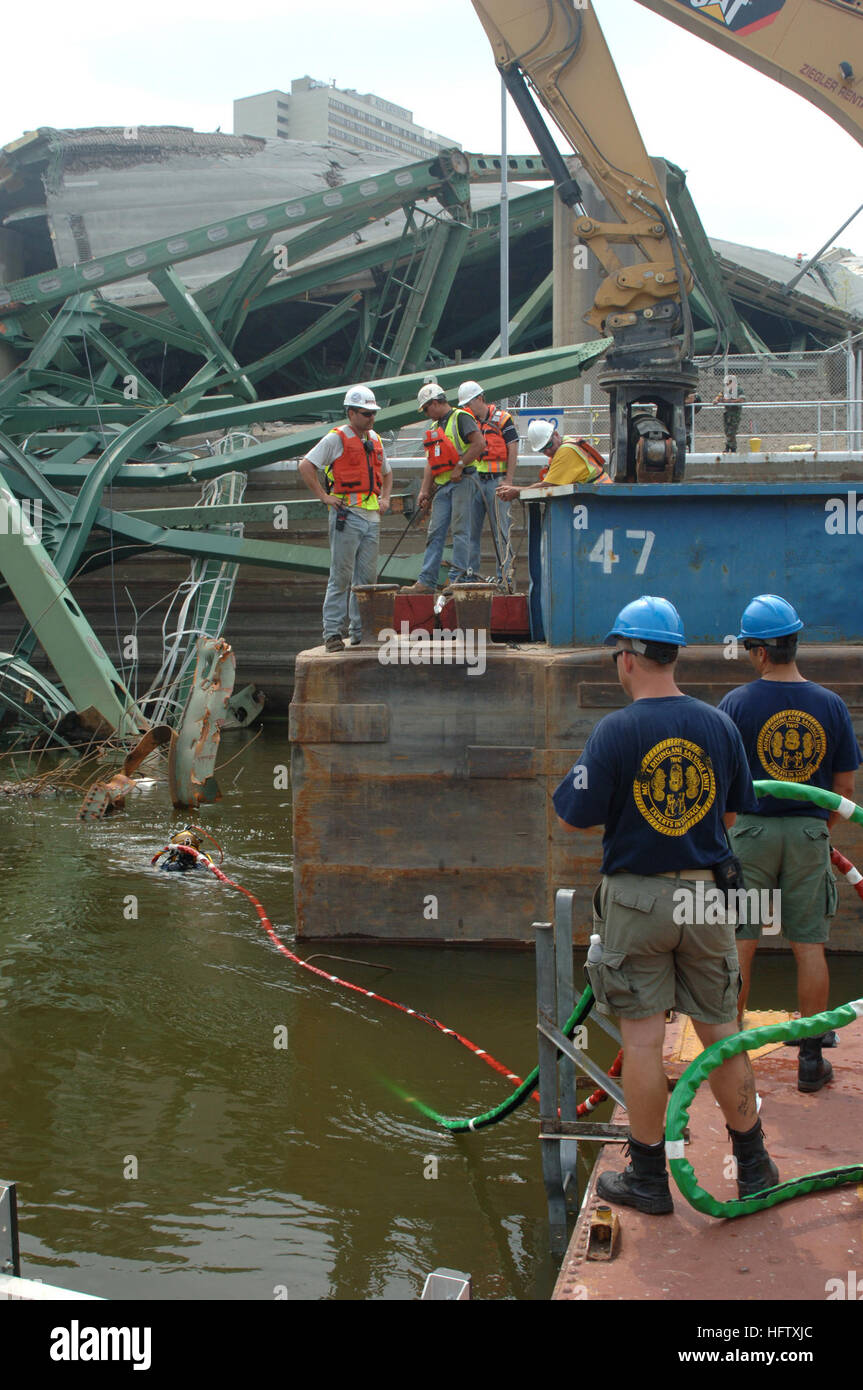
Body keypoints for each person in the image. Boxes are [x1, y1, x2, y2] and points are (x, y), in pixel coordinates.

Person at [553, 596, 778, 1214]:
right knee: (722, 1034)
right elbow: (730, 814)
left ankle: (650, 1178)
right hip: (706, 895)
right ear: (672, 654)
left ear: (627, 659)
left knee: (646, 1042)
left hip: (637, 899)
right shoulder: (719, 725)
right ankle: (754, 1164)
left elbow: (572, 815)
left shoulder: (613, 733)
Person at [718, 595, 861, 1091]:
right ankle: (810, 1058)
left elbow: (722, 784)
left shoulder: (735, 705)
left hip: (751, 833)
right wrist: (816, 830)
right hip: (807, 832)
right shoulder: (830, 705)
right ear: (795, 642)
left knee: (742, 941)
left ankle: (730, 1051)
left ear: (758, 651)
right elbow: (843, 791)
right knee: (809, 945)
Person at [298, 384, 392, 651]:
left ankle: (360, 632)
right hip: (347, 517)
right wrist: (324, 497)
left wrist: (385, 499)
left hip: (372, 519)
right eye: (365, 413)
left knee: (367, 580)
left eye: (372, 413)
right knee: (341, 576)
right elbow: (306, 465)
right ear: (350, 413)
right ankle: (332, 634)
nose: (370, 418)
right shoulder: (336, 439)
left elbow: (387, 473)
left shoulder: (375, 439)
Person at [404, 382, 485, 594]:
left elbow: (479, 444)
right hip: (443, 485)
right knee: (435, 531)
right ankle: (426, 581)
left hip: (464, 481)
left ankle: (457, 579)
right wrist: (424, 491)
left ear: (435, 402)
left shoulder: (461, 418)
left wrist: (460, 465)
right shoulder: (434, 428)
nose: (426, 413)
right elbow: (431, 462)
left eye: (426, 408)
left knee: (460, 531)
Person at [457, 380, 519, 584]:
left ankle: (505, 578)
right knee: (470, 532)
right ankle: (470, 576)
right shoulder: (468, 421)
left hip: (497, 482)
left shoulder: (503, 419)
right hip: (475, 482)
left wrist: (509, 480)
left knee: (501, 531)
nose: (467, 407)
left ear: (480, 399)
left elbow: (512, 447)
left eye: (469, 403)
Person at [496, 419, 612, 500]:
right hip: (599, 494)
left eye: (549, 445)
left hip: (603, 496)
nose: (547, 452)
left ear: (556, 434)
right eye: (542, 450)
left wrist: (517, 491)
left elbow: (548, 486)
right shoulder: (566, 443)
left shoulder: (566, 450)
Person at [714, 373, 745, 453]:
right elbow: (719, 397)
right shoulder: (726, 390)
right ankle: (729, 447)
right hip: (727, 414)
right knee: (727, 431)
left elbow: (741, 400)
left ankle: (732, 448)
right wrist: (716, 400)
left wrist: (729, 401)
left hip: (735, 414)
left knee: (732, 431)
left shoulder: (739, 389)